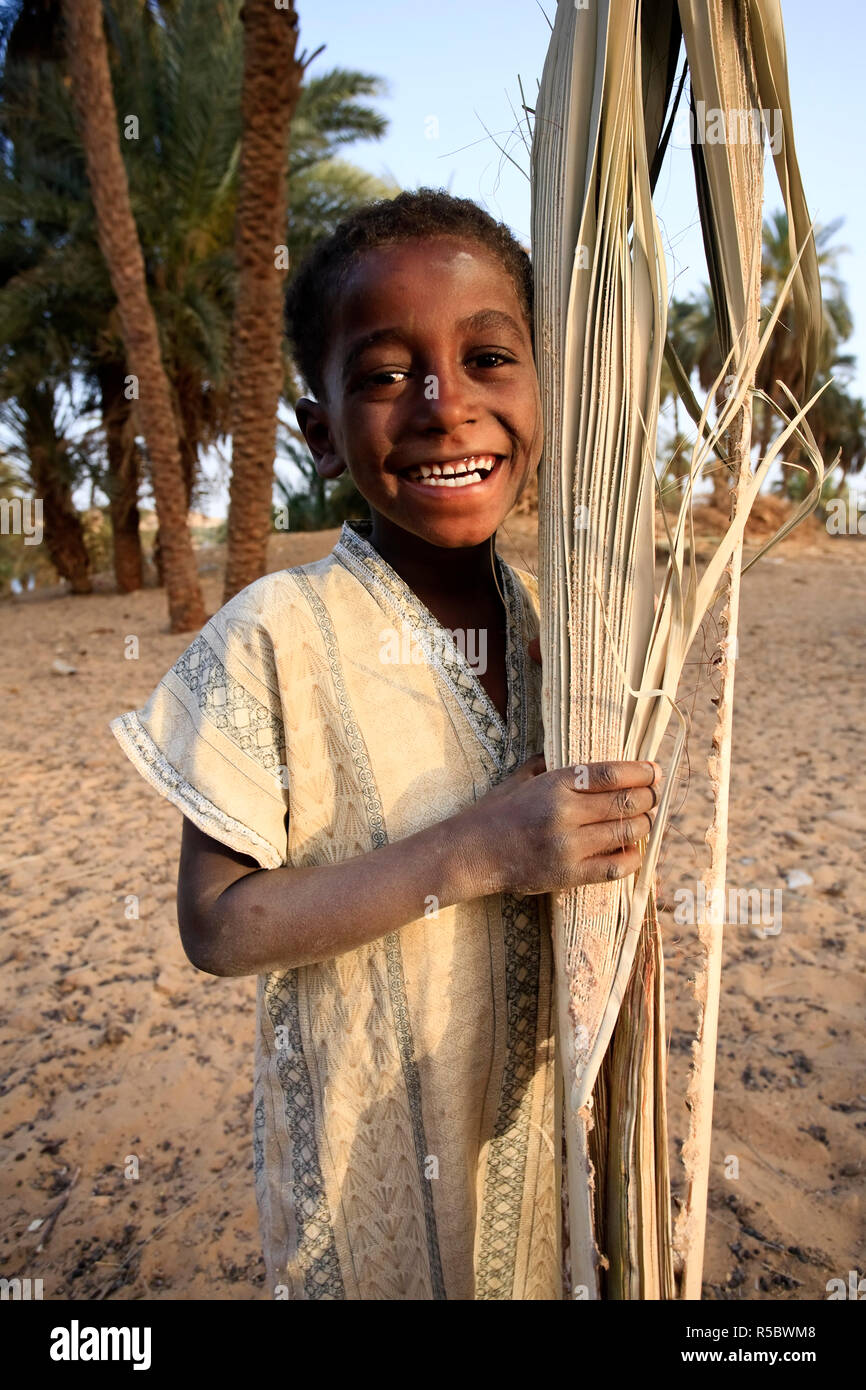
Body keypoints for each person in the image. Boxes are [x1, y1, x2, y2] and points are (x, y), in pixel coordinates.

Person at [111, 188, 660, 1301]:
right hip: (367, 1179)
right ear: (318, 433)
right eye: (380, 374)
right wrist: (478, 853)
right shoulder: (276, 634)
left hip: (536, 1149)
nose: (441, 406)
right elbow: (218, 927)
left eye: (489, 358)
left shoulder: (573, 647)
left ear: (544, 390)